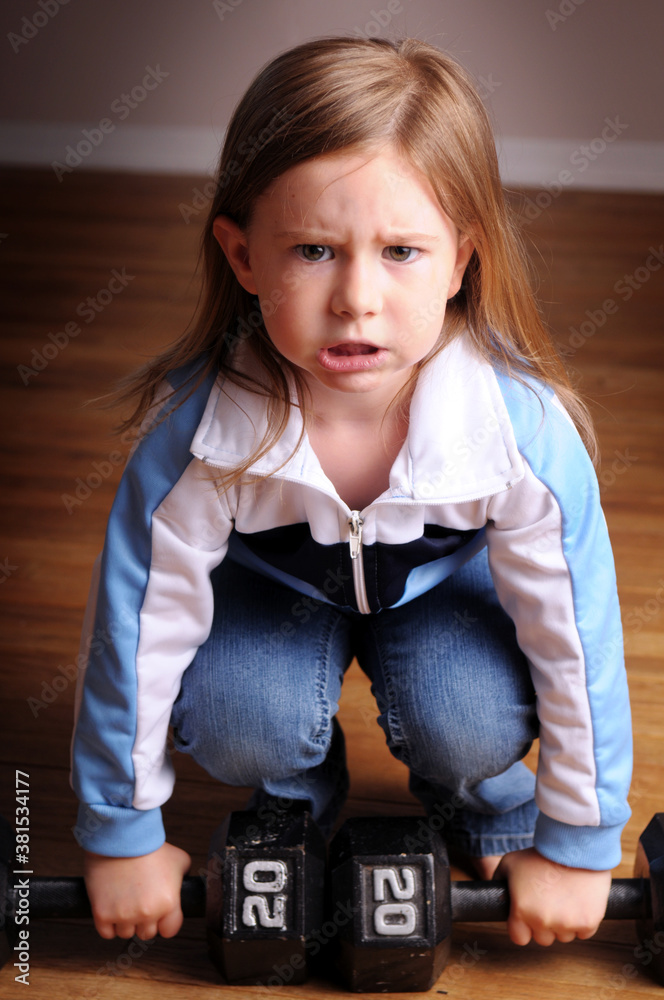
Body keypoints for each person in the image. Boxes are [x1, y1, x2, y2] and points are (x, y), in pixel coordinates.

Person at [71, 36, 632, 954]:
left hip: (440, 602)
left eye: (403, 250)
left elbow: (578, 640)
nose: (356, 298)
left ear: (461, 263)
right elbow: (132, 636)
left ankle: (486, 798)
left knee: (472, 720)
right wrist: (118, 831)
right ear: (243, 254)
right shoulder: (203, 437)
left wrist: (578, 841)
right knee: (240, 722)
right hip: (279, 601)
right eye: (315, 249)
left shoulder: (518, 434)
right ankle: (288, 804)